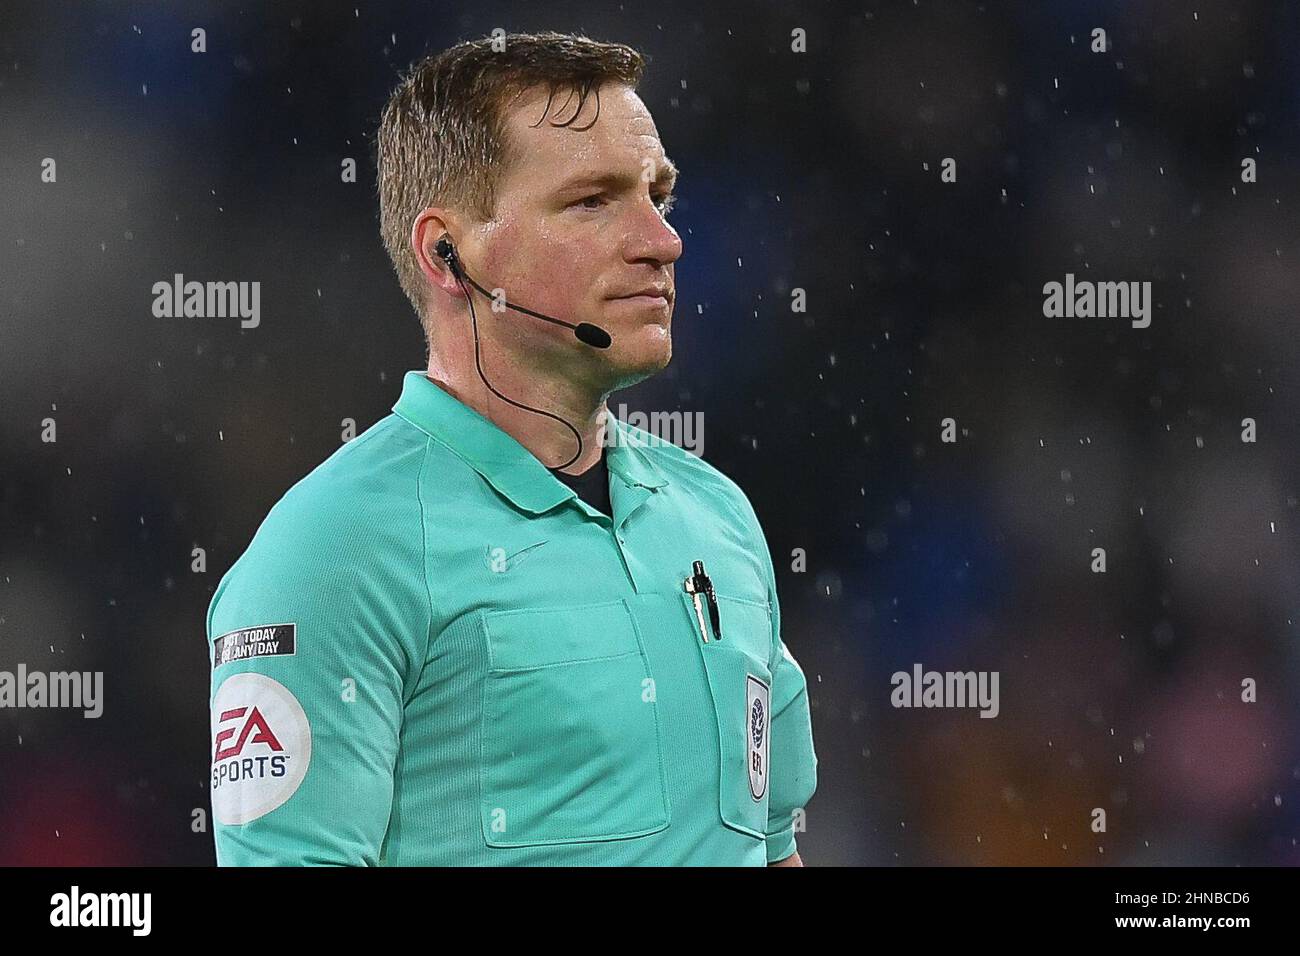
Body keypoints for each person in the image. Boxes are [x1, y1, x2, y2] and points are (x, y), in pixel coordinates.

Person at [206, 30, 816, 866]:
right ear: (446, 255)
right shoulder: (334, 551)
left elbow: (770, 847)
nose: (664, 242)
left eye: (658, 197)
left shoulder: (719, 521)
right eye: (593, 201)